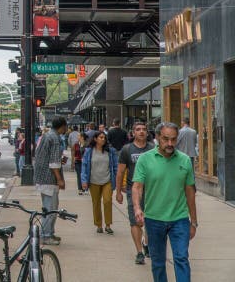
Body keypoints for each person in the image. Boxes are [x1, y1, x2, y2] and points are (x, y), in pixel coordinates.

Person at [132, 122, 197, 282]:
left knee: (181, 258)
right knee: (158, 262)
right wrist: (137, 208)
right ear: (157, 137)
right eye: (165, 139)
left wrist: (193, 221)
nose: (170, 143)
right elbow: (137, 186)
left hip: (179, 219)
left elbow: (190, 192)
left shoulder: (184, 160)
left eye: (173, 139)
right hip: (154, 219)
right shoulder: (145, 159)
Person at [116, 121, 154, 265]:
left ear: (147, 132)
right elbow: (120, 172)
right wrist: (118, 192)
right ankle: (139, 252)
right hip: (134, 190)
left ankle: (147, 244)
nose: (141, 131)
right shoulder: (127, 150)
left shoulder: (153, 148)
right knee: (135, 221)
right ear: (133, 133)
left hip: (152, 190)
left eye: (144, 129)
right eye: (138, 129)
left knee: (150, 221)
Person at [33, 116, 68, 247]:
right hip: (49, 179)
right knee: (51, 210)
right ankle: (46, 235)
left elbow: (46, 156)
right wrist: (60, 179)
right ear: (62, 126)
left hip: (41, 177)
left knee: (48, 208)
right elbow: (53, 163)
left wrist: (59, 159)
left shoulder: (47, 135)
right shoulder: (55, 138)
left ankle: (49, 233)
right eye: (66, 126)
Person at [81, 130, 118, 235]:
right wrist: (84, 180)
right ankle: (99, 225)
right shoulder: (89, 151)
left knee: (107, 201)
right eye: (101, 137)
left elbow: (115, 166)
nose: (103, 139)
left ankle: (108, 225)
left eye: (104, 137)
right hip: (93, 181)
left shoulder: (110, 151)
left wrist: (117, 179)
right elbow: (84, 166)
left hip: (107, 180)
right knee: (96, 203)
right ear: (95, 139)